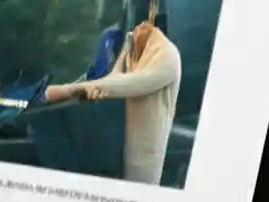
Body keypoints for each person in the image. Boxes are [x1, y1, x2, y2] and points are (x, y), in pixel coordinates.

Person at [45, 3, 182, 185]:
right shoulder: (123, 40)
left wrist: (68, 90)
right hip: (114, 142)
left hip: (142, 160)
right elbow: (107, 75)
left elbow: (124, 84)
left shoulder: (168, 56)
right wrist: (73, 89)